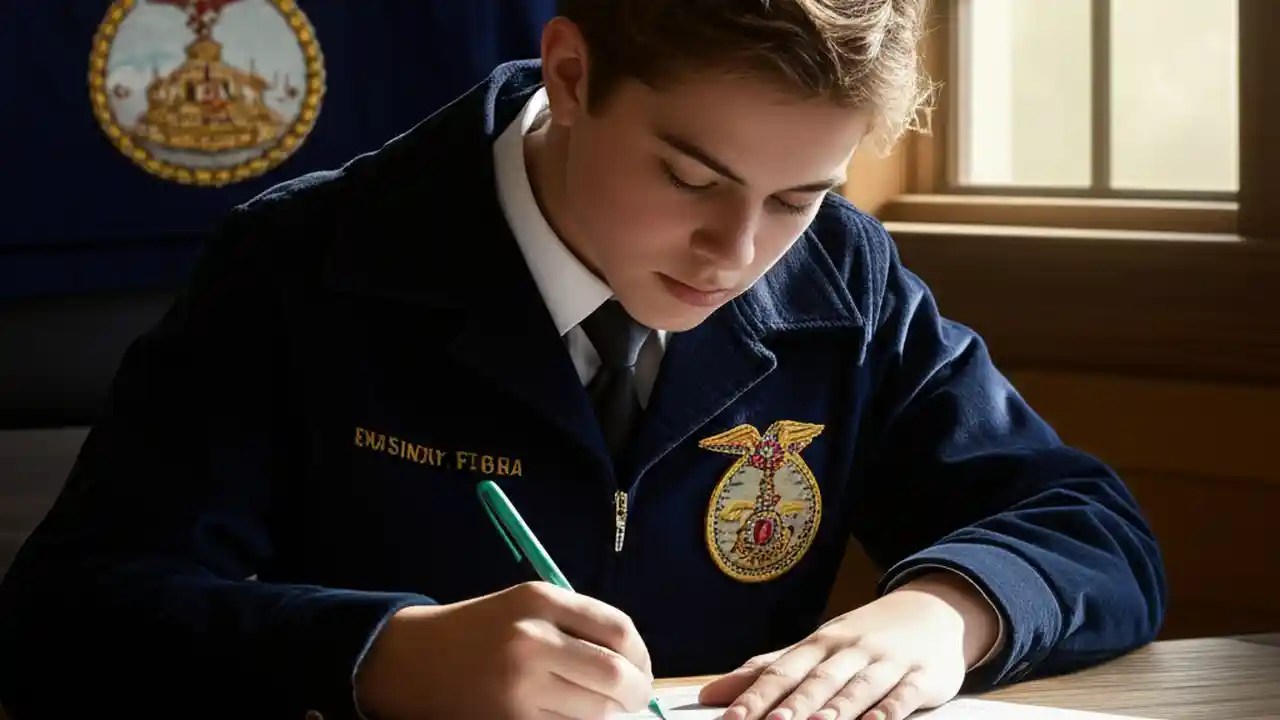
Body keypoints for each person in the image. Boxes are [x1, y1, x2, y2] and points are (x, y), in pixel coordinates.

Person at [0, 1, 1167, 719]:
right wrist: (374, 656)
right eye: (691, 179)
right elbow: (72, 620)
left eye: (800, 197)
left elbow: (1088, 528)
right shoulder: (301, 263)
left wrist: (942, 612)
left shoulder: (842, 275)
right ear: (568, 74)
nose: (737, 253)